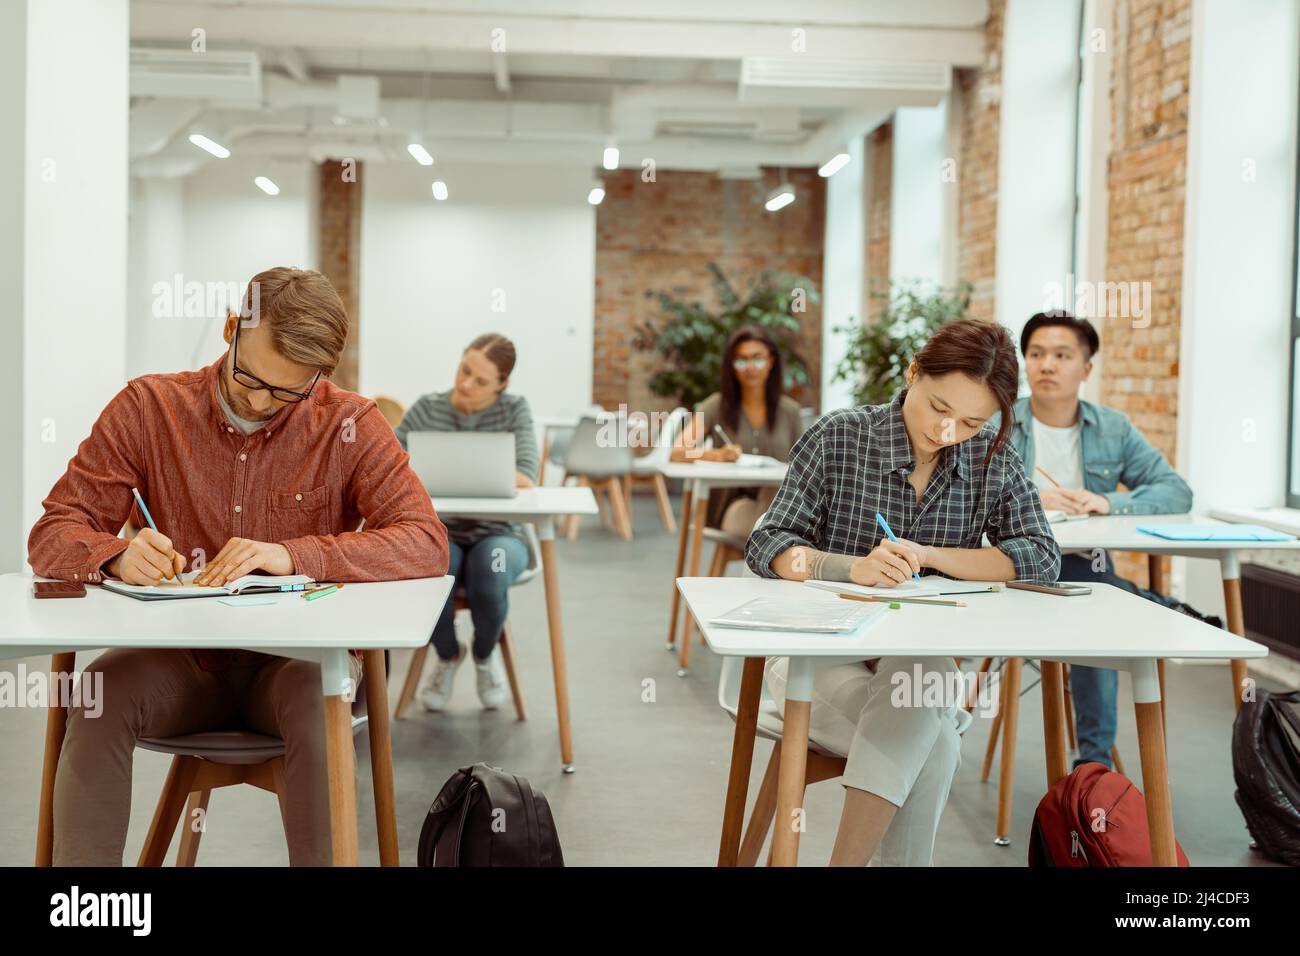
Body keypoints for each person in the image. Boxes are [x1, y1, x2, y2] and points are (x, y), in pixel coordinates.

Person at [27, 267, 449, 866]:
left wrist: (294, 555)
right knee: (98, 695)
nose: (258, 401)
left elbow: (426, 541)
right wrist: (115, 555)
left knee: (318, 696)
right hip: (181, 665)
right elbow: (52, 533)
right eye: (249, 376)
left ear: (319, 378)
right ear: (230, 328)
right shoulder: (148, 407)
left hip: (293, 666)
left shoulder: (350, 424)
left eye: (286, 393)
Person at [746, 318, 1060, 866]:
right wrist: (847, 569)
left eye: (970, 421)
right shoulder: (839, 437)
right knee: (934, 735)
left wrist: (933, 557)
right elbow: (767, 544)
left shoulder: (991, 457)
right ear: (914, 372)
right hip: (813, 660)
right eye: (939, 408)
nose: (947, 432)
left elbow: (1040, 556)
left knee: (923, 687)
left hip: (914, 664)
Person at [1005, 310, 1205, 770]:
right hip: (1016, 566)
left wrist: (1107, 502)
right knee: (1098, 603)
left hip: (1085, 563)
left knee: (1091, 605)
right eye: (1036, 354)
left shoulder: (1112, 428)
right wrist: (1032, 496)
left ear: (1087, 368)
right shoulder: (999, 422)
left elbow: (1176, 491)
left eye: (1061, 355)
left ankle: (1092, 766)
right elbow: (965, 491)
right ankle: (1158, 607)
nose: (1046, 365)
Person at [395, 334, 539, 712]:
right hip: (441, 531)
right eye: (465, 370)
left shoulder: (514, 410)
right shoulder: (427, 409)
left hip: (500, 532)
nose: (466, 384)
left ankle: (483, 654)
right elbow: (388, 465)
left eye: (480, 381)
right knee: (434, 576)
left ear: (502, 384)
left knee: (489, 575)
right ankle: (447, 655)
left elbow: (527, 473)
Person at [670, 325, 805, 536]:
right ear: (731, 366)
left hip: (777, 505)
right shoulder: (716, 405)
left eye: (757, 359)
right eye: (741, 360)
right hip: (732, 509)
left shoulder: (790, 411)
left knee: (775, 503)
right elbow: (677, 452)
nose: (750, 367)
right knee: (774, 527)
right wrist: (717, 455)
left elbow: (804, 466)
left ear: (771, 362)